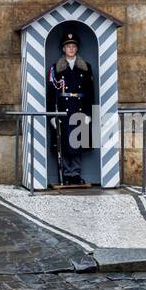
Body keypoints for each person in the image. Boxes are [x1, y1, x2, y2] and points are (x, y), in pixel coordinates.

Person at [47, 33, 94, 186]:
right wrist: (52, 116)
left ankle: (76, 174)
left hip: (79, 108)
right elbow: (51, 94)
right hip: (63, 110)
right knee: (65, 143)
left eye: (73, 46)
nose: (71, 49)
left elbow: (90, 92)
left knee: (78, 142)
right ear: (63, 49)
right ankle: (67, 174)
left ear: (77, 49)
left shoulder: (86, 67)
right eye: (68, 46)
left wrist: (88, 113)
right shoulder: (56, 69)